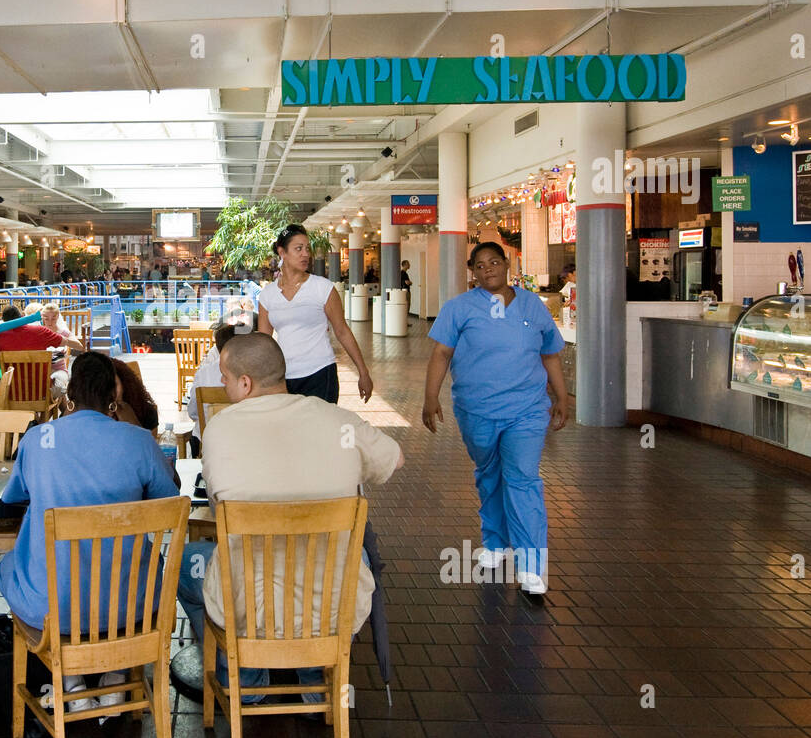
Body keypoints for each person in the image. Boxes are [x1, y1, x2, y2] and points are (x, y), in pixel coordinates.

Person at [176, 332, 403, 701]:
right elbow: (396, 458)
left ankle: (245, 682)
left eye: (225, 377)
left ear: (245, 383)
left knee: (185, 565)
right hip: (332, 608)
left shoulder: (219, 429)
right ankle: (318, 687)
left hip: (248, 608)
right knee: (353, 555)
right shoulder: (337, 419)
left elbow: (218, 504)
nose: (221, 383)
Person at [0, 351, 179, 714]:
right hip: (131, 607)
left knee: (8, 565)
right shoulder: (138, 441)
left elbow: (13, 496)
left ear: (69, 394)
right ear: (115, 392)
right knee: (128, 568)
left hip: (51, 610)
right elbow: (169, 500)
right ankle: (116, 677)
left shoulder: (38, 438)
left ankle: (71, 682)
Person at [423, 241, 568, 597]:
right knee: (489, 473)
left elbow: (550, 355)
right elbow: (441, 354)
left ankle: (532, 567)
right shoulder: (459, 308)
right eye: (480, 265)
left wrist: (561, 397)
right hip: (477, 409)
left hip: (527, 410)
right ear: (472, 271)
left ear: (507, 264)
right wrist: (430, 398)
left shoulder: (533, 306)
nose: (488, 269)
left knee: (522, 479)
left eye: (494, 262)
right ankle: (495, 541)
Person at [257, 223, 374, 404]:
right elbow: (264, 342)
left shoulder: (322, 288)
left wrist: (363, 372)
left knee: (320, 430)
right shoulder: (268, 295)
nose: (306, 254)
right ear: (282, 252)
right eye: (298, 249)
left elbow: (342, 331)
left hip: (320, 373)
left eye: (307, 248)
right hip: (283, 378)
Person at [183, 318, 251, 456]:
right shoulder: (255, 374)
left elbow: (193, 412)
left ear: (218, 348)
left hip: (207, 444)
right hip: (244, 444)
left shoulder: (204, 373)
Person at [0, 304, 85, 397]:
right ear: (22, 316)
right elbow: (69, 342)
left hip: (12, 392)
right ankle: (62, 409)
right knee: (58, 386)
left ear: (3, 321)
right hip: (41, 391)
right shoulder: (40, 331)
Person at [110, 358, 160, 432]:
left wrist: (132, 424)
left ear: (125, 385)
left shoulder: (146, 412)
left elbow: (147, 442)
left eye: (113, 385)